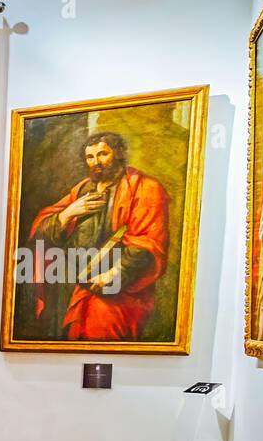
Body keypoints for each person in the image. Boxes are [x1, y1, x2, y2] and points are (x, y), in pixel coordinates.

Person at [28, 131, 169, 340]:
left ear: (119, 153)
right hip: (72, 285)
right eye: (90, 157)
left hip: (115, 291)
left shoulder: (145, 188)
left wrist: (114, 274)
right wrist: (69, 213)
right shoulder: (83, 189)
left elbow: (146, 242)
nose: (96, 162)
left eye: (102, 154)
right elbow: (41, 229)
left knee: (101, 334)